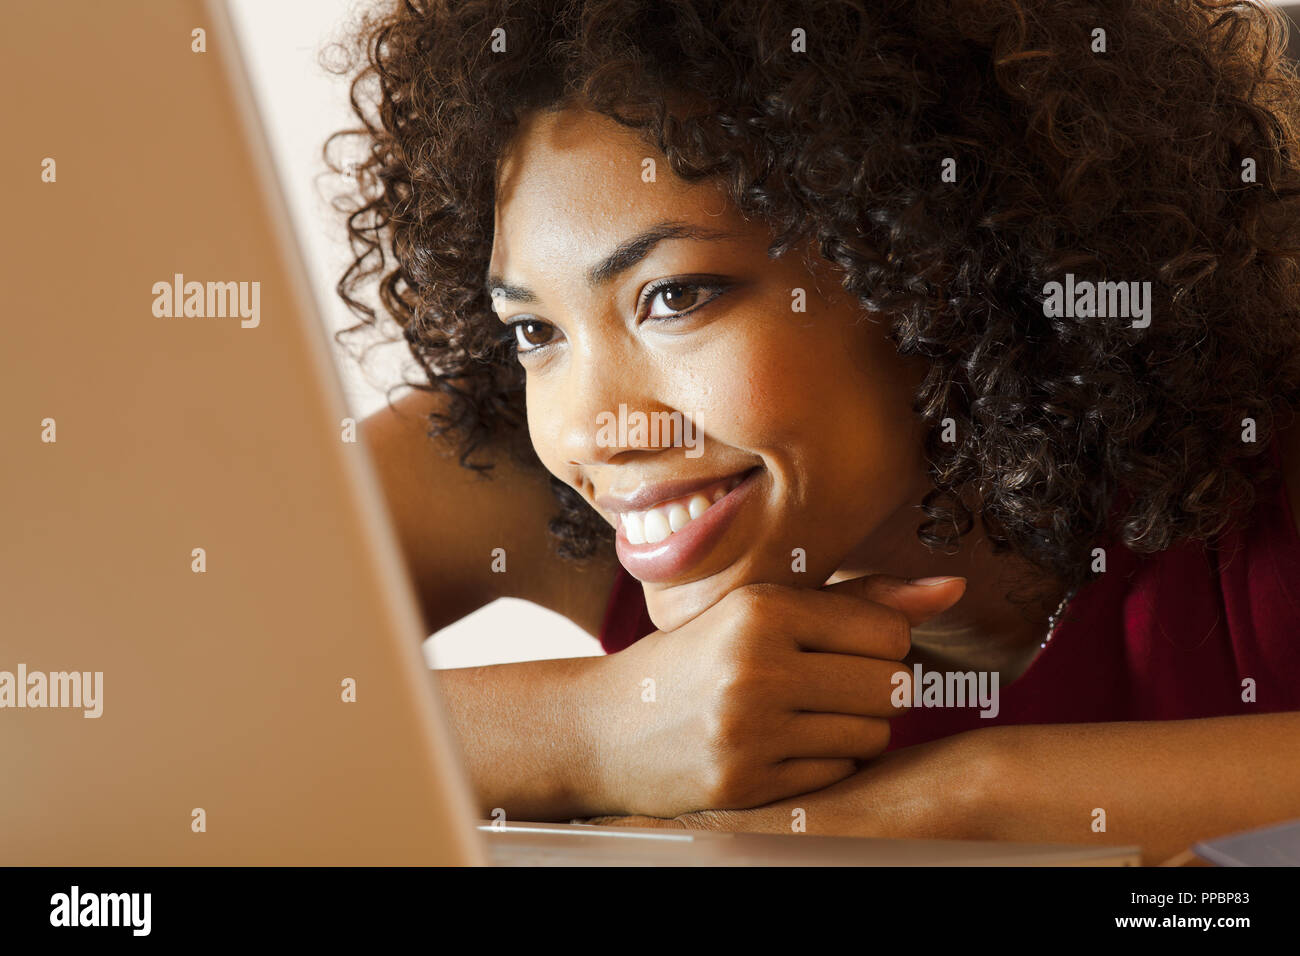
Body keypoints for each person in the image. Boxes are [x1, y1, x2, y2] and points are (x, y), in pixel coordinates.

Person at [327, 0, 1300, 864]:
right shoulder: (536, 468)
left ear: (935, 261)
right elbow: (180, 692)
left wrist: (958, 801)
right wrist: (588, 729)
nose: (590, 427)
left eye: (674, 295)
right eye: (535, 329)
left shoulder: (1259, 454)